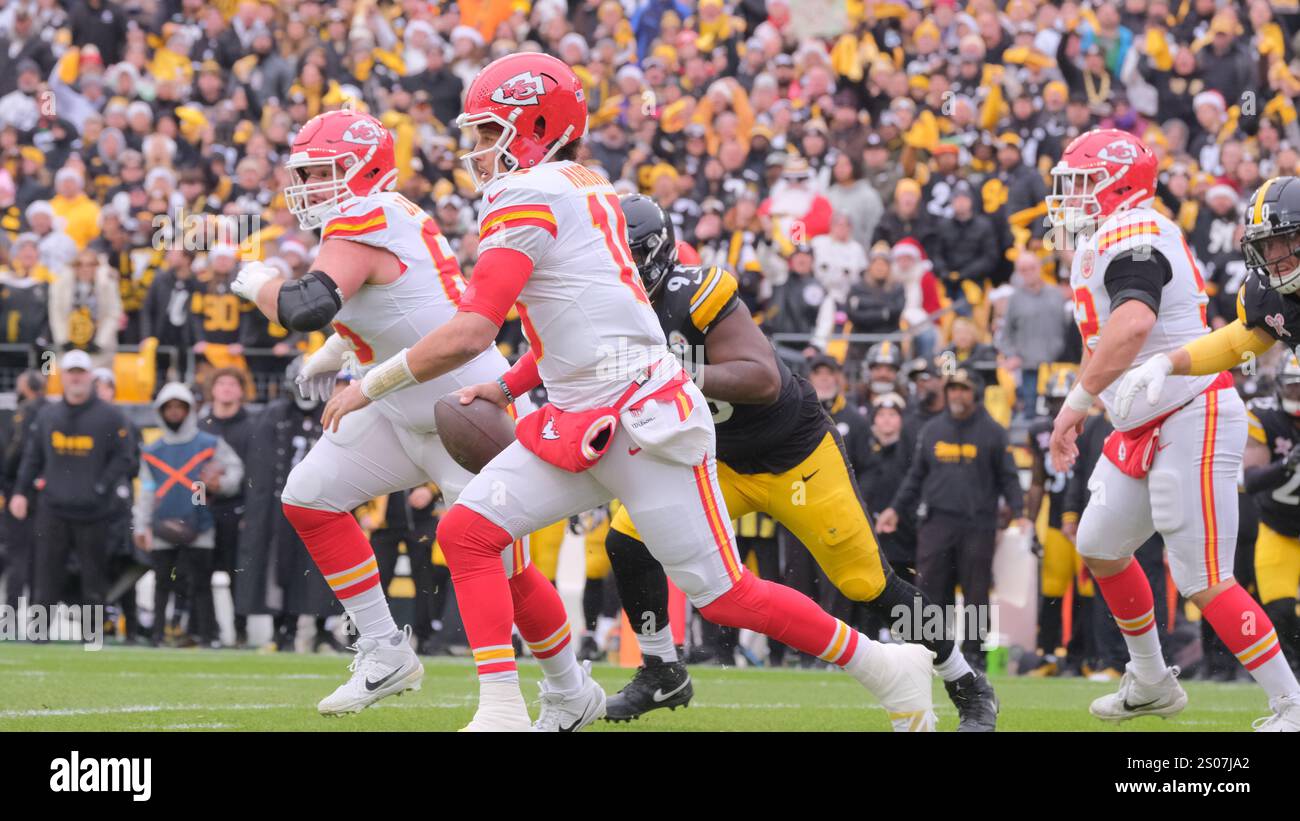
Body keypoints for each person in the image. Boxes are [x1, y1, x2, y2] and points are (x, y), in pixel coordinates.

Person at [325, 56, 940, 733]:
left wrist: (371, 384)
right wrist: (507, 388)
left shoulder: (531, 193)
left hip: (646, 421)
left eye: (489, 130)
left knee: (727, 595)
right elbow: (573, 327)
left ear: (535, 125)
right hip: (581, 414)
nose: (476, 148)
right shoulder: (582, 184)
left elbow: (473, 329)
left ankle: (885, 665)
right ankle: (506, 706)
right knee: (468, 531)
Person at [228, 108, 577, 720]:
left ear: (362, 167)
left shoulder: (365, 217)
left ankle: (561, 691)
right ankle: (386, 648)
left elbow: (304, 304)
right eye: (304, 173)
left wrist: (256, 280)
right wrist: (335, 351)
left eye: (320, 171)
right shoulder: (384, 214)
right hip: (401, 404)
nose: (307, 186)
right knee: (308, 496)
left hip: (463, 409)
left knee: (506, 568)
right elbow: (398, 304)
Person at [595, 196, 994, 727]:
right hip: (717, 461)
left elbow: (762, 379)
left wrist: (676, 372)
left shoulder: (693, 294)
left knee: (866, 584)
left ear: (653, 255)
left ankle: (965, 681)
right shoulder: (610, 311)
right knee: (626, 540)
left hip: (793, 454)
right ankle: (661, 670)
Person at [1053, 136, 1300, 731]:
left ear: (1116, 182)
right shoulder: (1102, 240)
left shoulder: (1134, 231)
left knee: (1202, 578)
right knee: (1099, 544)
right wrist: (1169, 363)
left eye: (1081, 181)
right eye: (1266, 247)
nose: (1068, 196)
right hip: (1149, 416)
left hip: (1191, 416)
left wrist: (1078, 401)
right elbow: (1244, 337)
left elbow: (1134, 320)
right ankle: (1152, 680)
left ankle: (1291, 706)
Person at [877, 368, 1027, 669]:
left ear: (976, 393)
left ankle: (973, 653)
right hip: (936, 522)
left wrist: (1020, 513)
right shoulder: (932, 430)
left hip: (978, 523)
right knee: (931, 587)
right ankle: (931, 649)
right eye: (953, 389)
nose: (957, 395)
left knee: (975, 591)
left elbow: (1009, 478)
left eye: (964, 389)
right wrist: (894, 508)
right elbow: (915, 475)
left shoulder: (993, 432)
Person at [9, 350, 135, 612]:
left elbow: (125, 458)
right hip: (53, 509)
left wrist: (101, 487)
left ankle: (92, 637)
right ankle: (39, 635)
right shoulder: (48, 416)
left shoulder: (110, 416)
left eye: (80, 373)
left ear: (89, 376)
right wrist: (20, 492)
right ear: (63, 377)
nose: (76, 378)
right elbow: (33, 458)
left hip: (94, 511)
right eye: (71, 373)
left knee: (93, 578)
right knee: (46, 576)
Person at [134, 382, 244, 647]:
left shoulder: (208, 444)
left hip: (200, 522)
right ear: (160, 411)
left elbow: (235, 470)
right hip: (163, 523)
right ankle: (158, 636)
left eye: (179, 407)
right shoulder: (152, 451)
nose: (173, 412)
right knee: (163, 583)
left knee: (201, 583)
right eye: (168, 407)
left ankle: (207, 636)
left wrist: (221, 484)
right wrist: (141, 525)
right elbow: (147, 489)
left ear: (188, 410)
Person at [1239, 355, 1300, 674]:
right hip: (1279, 528)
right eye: (1294, 389)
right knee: (1280, 609)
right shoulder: (1265, 415)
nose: (1299, 396)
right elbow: (1251, 479)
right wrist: (1287, 463)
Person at [197, 367, 258, 647]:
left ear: (241, 390)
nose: (226, 389)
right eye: (221, 383)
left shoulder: (251, 426)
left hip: (236, 510)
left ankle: (240, 631)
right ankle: (207, 631)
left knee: (238, 574)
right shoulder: (200, 425)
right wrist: (196, 505)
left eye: (233, 384)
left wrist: (249, 510)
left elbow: (256, 473)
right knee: (200, 572)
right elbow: (191, 471)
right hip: (206, 509)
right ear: (212, 388)